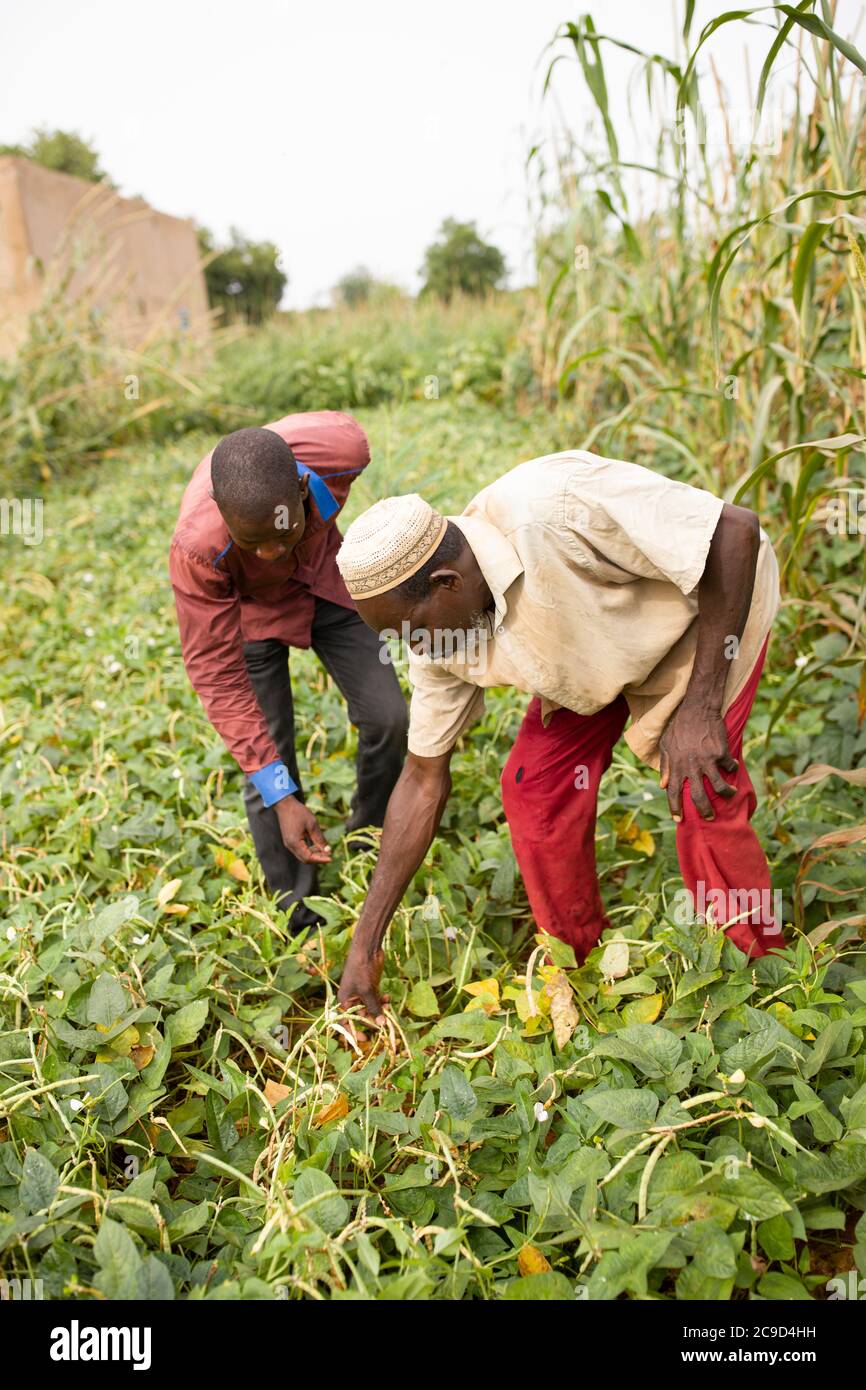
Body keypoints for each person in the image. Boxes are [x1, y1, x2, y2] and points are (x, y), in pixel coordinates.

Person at [333, 448, 781, 1021]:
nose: (413, 649)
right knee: (535, 786)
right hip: (593, 650)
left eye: (413, 632)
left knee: (702, 792)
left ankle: (763, 980)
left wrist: (699, 706)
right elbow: (422, 780)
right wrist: (364, 945)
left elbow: (734, 533)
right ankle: (576, 960)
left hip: (710, 618)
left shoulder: (553, 509)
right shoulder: (436, 636)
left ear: (446, 583)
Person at [169, 411, 408, 927]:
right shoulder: (198, 550)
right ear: (222, 513)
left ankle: (369, 840)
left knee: (390, 718)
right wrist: (282, 796)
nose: (272, 551)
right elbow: (215, 672)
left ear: (302, 488)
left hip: (324, 582)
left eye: (282, 531)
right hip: (251, 614)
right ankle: (298, 912)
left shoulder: (343, 456)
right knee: (268, 764)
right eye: (253, 543)